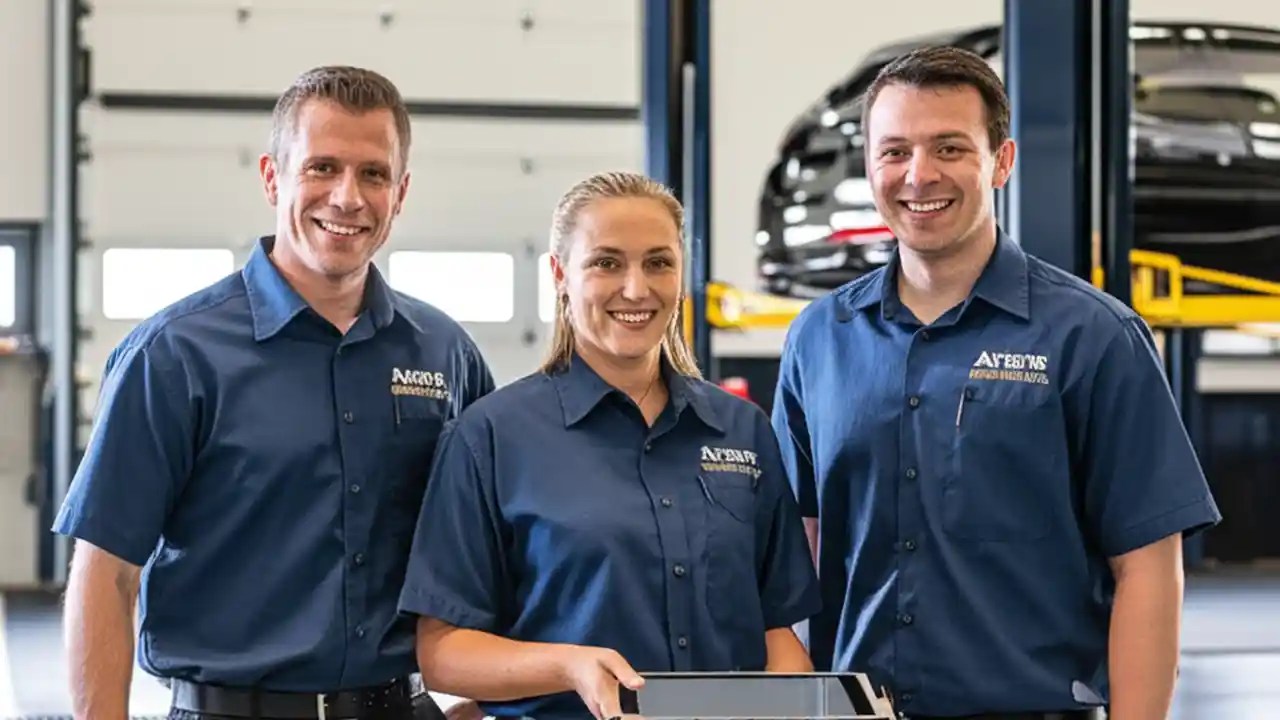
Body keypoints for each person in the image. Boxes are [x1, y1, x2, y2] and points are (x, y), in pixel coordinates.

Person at [771, 46, 1222, 720]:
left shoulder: (1092, 337)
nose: (919, 175)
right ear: (870, 166)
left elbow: (1148, 570)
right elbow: (791, 554)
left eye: (949, 148)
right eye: (894, 152)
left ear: (1001, 162)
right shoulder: (818, 339)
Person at [52, 65, 494, 720]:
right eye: (322, 167)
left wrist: (489, 702)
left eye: (373, 173)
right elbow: (106, 575)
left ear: (400, 193)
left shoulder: (445, 353)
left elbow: (504, 540)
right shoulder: (175, 356)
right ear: (271, 177)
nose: (347, 197)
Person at [395, 171, 821, 720]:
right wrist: (568, 666)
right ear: (560, 275)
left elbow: (777, 631)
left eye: (658, 262)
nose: (637, 289)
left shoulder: (742, 432)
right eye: (607, 262)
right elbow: (443, 653)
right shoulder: (492, 436)